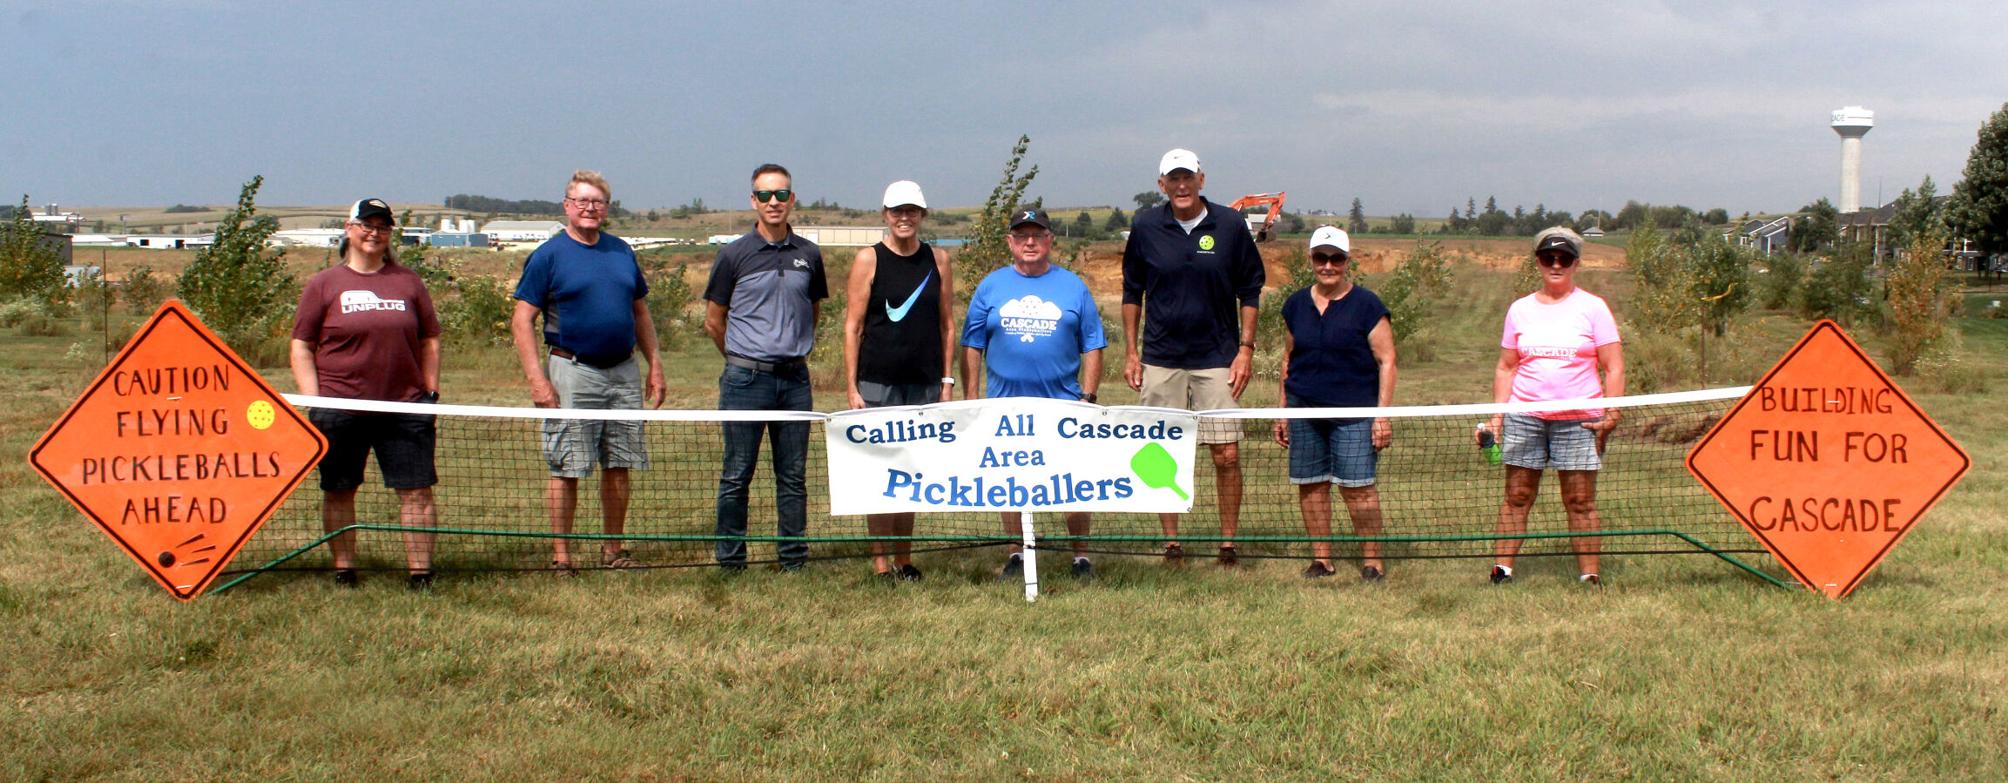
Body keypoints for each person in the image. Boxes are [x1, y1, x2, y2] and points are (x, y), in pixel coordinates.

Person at [510, 171, 667, 575]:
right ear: (567, 206)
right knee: (567, 466)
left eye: (597, 202)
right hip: (572, 371)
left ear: (606, 209)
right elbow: (522, 320)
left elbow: (640, 312)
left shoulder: (621, 252)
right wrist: (538, 380)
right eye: (582, 201)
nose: (590, 208)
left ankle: (613, 551)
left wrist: (655, 367)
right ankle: (562, 558)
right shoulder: (548, 256)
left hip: (624, 372)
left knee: (619, 463)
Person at [1120, 148, 1265, 566]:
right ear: (1161, 184)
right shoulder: (1146, 226)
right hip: (1161, 358)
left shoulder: (1231, 224)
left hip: (1217, 358)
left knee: (1227, 454)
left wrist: (1245, 351)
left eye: (1188, 178)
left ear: (1201, 179)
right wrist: (1132, 353)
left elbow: (1250, 289)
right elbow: (1133, 292)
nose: (1181, 186)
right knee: (1161, 454)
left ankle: (1228, 543)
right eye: (1173, 179)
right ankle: (1171, 543)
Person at [289, 198, 442, 590]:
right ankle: (344, 570)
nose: (374, 233)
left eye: (383, 227)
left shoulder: (409, 282)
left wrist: (430, 392)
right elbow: (301, 346)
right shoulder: (324, 284)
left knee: (417, 493)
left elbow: (430, 339)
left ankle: (421, 575)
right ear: (349, 228)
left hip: (405, 407)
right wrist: (316, 400)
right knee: (339, 490)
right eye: (366, 225)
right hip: (341, 408)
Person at [961, 208, 1106, 580]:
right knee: (1010, 481)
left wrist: (1087, 399)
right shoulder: (991, 286)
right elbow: (972, 344)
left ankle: (1081, 557)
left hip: (1062, 405)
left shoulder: (1073, 287)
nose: (1030, 242)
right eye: (1022, 235)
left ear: (1049, 240)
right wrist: (973, 398)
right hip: (1004, 406)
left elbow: (1092, 344)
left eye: (1037, 235)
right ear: (1010, 241)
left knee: (1073, 482)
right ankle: (1017, 554)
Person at [704, 163, 828, 572]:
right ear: (752, 200)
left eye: (780, 194)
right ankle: (730, 561)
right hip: (744, 380)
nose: (773, 202)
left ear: (792, 200)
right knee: (736, 475)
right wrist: (742, 358)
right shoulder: (733, 255)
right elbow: (713, 320)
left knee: (792, 478)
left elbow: (813, 311)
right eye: (764, 195)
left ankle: (793, 561)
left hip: (794, 380)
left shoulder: (809, 255)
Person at [1484, 226, 1624, 586]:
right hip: (1525, 417)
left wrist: (1612, 413)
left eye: (1564, 258)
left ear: (1576, 263)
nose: (1556, 264)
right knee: (1517, 496)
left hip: (1579, 420)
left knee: (1580, 500)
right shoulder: (1520, 310)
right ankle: (1502, 571)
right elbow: (1506, 366)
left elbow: (1613, 365)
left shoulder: (1594, 308)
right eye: (1549, 257)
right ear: (1538, 262)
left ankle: (1589, 575)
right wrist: (1496, 419)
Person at [843, 180, 956, 581]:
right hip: (877, 385)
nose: (904, 218)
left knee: (911, 474)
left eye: (911, 210)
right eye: (896, 211)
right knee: (879, 473)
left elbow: (947, 325)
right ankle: (880, 563)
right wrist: (853, 387)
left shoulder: (939, 260)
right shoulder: (867, 260)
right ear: (885, 215)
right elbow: (853, 326)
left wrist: (946, 382)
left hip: (924, 385)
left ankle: (905, 559)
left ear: (922, 215)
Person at [1272, 227, 1395, 581]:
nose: (1328, 265)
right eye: (1321, 258)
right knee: (1311, 484)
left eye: (1336, 258)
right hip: (1304, 409)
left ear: (1347, 262)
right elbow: (1288, 358)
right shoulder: (1295, 304)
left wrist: (1381, 417)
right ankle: (1321, 559)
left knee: (1358, 489)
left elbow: (1388, 361)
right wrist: (1282, 411)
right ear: (1311, 259)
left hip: (1354, 413)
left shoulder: (1368, 306)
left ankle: (1372, 561)